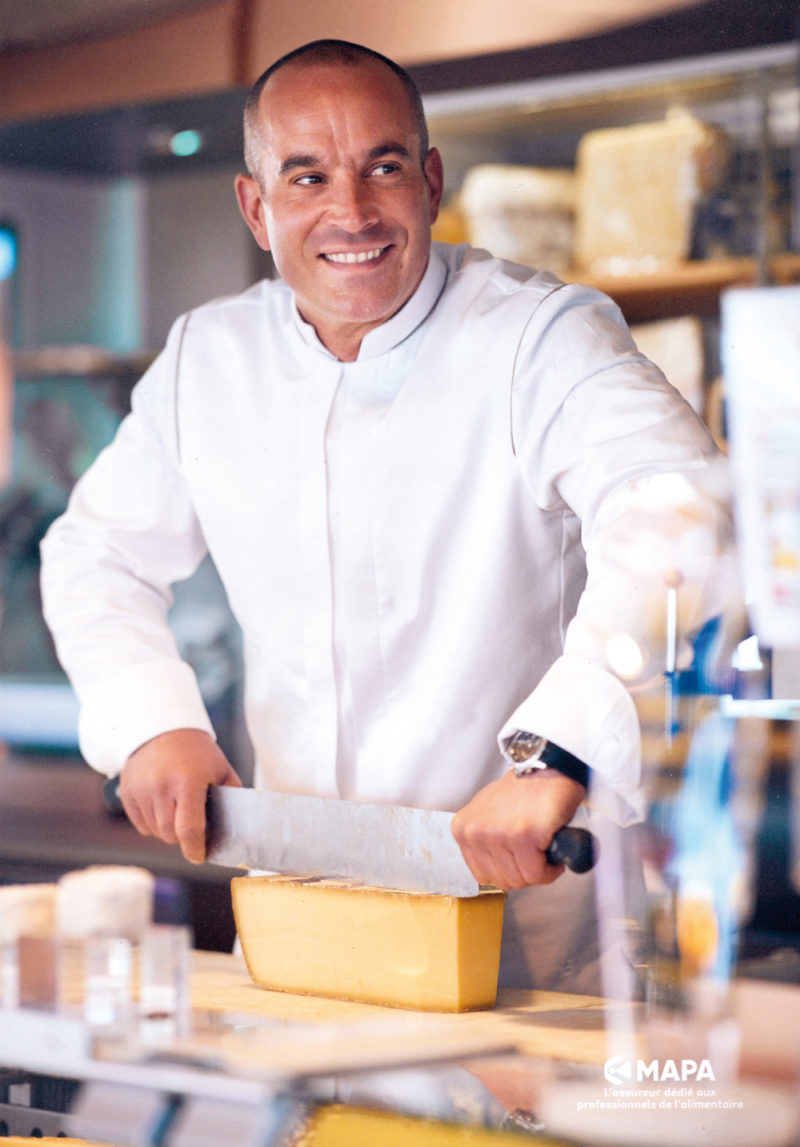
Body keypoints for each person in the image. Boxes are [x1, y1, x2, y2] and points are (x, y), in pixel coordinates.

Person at [40, 39, 734, 993]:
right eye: (309, 176)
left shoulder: (541, 336)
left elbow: (685, 512)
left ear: (431, 181)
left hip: (523, 934)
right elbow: (94, 553)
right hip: (296, 924)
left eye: (384, 166)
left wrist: (559, 750)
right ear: (257, 206)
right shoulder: (210, 358)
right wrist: (150, 721)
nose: (352, 211)